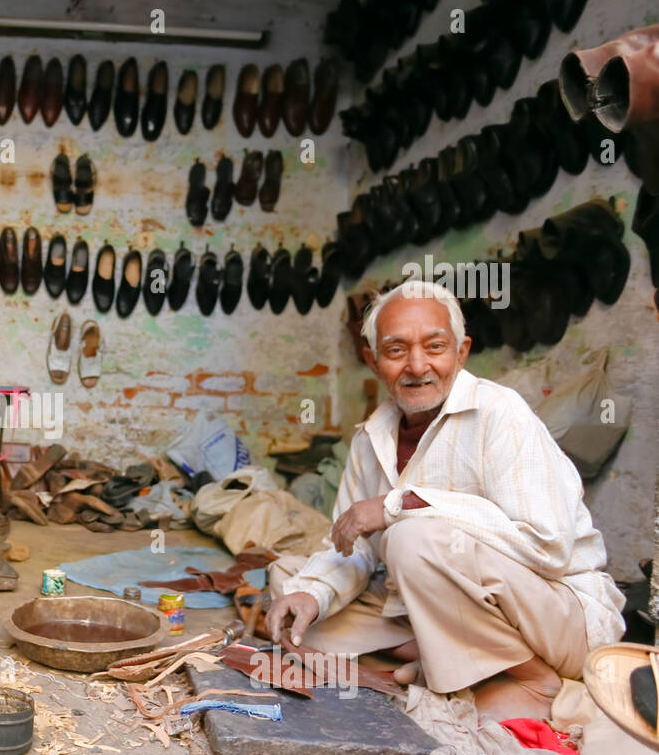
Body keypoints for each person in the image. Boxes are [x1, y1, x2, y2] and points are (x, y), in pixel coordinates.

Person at [265, 280, 625, 721]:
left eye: (435, 347)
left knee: (411, 539)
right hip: (436, 606)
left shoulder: (500, 414)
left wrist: (403, 504)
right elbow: (353, 546)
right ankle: (440, 654)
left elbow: (548, 548)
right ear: (373, 361)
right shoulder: (370, 438)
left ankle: (529, 678)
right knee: (290, 586)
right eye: (396, 351)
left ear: (461, 352)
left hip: (557, 617)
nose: (418, 366)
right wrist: (312, 593)